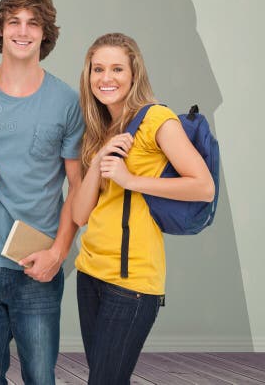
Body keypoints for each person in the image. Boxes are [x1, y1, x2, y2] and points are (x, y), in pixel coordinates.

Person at [0, 0, 84, 385]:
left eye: (34, 23)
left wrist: (58, 253)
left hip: (39, 262)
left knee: (40, 377)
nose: (23, 31)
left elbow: (78, 187)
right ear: (0, 30)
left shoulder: (67, 101)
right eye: (14, 21)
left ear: (46, 33)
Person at [72, 33, 215, 383]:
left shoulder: (156, 119)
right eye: (98, 69)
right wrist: (101, 158)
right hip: (90, 273)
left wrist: (130, 179)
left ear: (134, 74)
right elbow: (79, 215)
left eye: (117, 69)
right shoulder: (97, 131)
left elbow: (204, 186)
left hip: (131, 281)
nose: (106, 78)